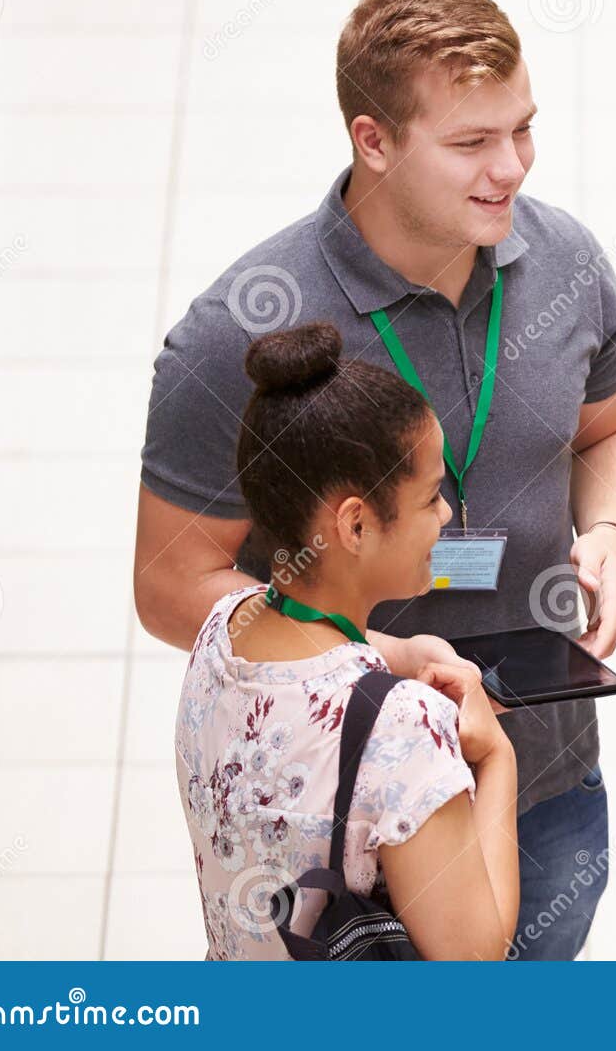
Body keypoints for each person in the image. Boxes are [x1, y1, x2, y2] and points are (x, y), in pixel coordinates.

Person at [138, 0, 616, 960]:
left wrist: (611, 533)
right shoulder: (238, 332)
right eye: (470, 143)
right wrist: (387, 667)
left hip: (545, 780)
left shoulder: (564, 265)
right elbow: (172, 585)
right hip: (347, 826)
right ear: (372, 140)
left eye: (523, 130)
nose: (511, 169)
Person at [177, 323, 519, 959]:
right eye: (428, 497)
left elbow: (313, 655)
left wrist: (400, 653)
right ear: (357, 524)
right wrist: (497, 759)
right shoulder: (406, 727)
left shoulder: (223, 630)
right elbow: (476, 964)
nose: (445, 514)